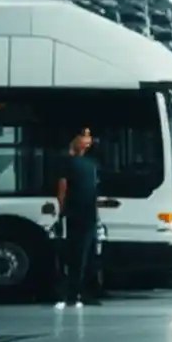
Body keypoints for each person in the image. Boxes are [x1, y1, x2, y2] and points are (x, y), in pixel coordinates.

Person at [56, 127, 101, 309]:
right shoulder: (66, 162)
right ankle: (72, 294)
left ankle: (88, 292)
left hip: (90, 214)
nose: (87, 140)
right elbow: (62, 189)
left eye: (89, 137)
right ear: (74, 139)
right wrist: (62, 211)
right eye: (84, 136)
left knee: (90, 255)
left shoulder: (91, 163)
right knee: (77, 255)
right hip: (76, 214)